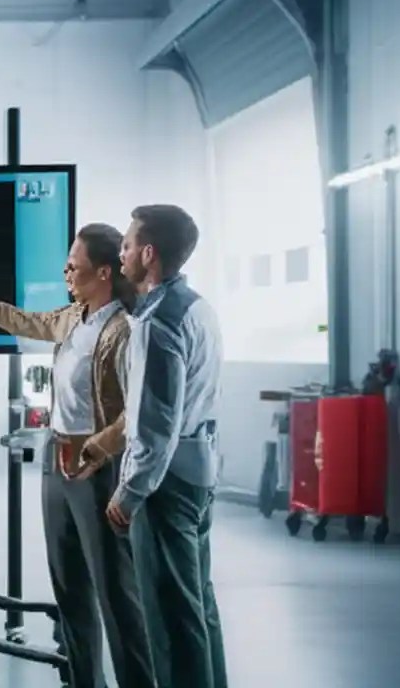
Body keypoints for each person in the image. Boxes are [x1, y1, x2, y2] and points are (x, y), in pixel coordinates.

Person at [0, 224, 156, 688]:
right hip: (56, 457)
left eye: (74, 267)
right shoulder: (75, 316)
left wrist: (99, 449)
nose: (66, 274)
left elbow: (137, 414)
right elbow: (28, 322)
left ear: (103, 272)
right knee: (69, 588)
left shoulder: (124, 330)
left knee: (115, 592)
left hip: (97, 465)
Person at [105, 204, 227, 688]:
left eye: (127, 245)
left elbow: (154, 424)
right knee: (198, 606)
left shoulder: (158, 323)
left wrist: (130, 491)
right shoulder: (197, 307)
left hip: (166, 484)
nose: (121, 254)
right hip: (199, 472)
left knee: (171, 619)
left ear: (148, 254)